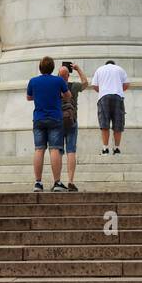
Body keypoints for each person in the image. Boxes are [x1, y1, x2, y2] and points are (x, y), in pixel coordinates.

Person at [26, 56, 68, 193]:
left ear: (40, 67)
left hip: (39, 118)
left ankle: (38, 182)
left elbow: (29, 97)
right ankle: (57, 182)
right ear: (52, 68)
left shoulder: (33, 81)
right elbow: (67, 95)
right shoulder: (59, 81)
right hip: (55, 118)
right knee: (54, 149)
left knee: (39, 149)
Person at [59, 61, 91, 191]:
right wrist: (78, 69)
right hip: (72, 120)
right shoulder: (74, 86)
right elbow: (85, 83)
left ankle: (58, 181)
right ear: (68, 76)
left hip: (58, 121)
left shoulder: (55, 86)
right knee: (71, 151)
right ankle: (71, 180)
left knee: (58, 151)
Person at [91, 59, 129, 154]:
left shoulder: (100, 69)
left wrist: (103, 90)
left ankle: (105, 148)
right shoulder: (120, 69)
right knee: (118, 124)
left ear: (106, 64)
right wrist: (118, 89)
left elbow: (94, 85)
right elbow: (126, 84)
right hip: (118, 96)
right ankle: (116, 148)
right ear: (114, 64)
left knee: (104, 124)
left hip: (103, 97)